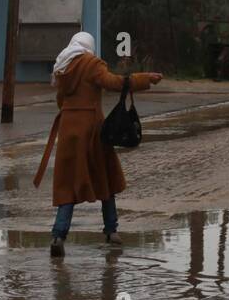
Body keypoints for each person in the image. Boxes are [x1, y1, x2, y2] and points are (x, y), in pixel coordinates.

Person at [33, 31, 163, 258]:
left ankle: (58, 235)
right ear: (89, 46)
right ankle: (112, 230)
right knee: (105, 177)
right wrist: (144, 79)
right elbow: (113, 83)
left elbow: (60, 100)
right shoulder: (91, 64)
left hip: (68, 130)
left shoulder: (62, 66)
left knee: (68, 184)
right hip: (91, 129)